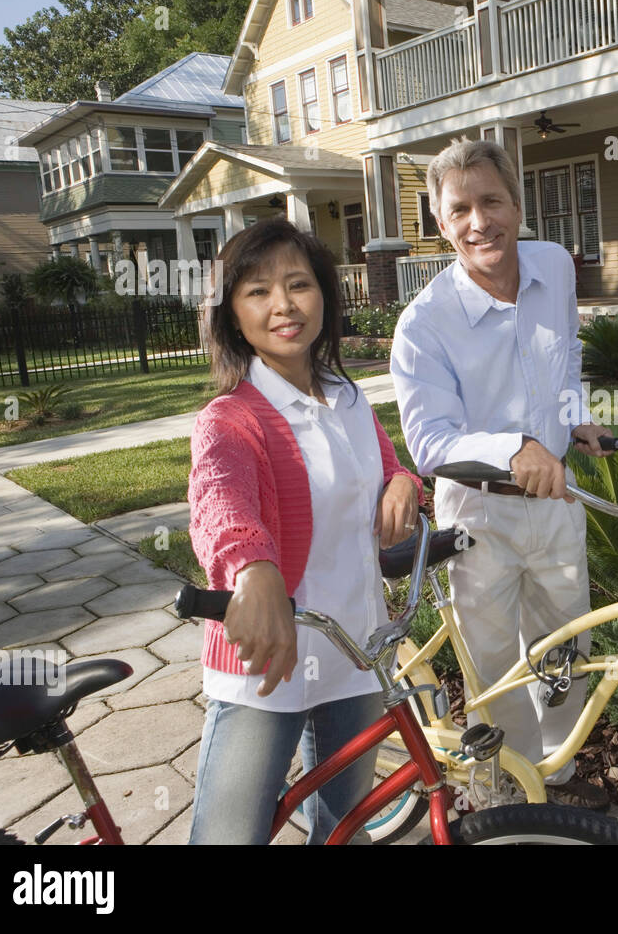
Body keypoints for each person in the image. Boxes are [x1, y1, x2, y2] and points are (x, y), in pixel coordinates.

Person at [389, 138, 612, 810]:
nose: (478, 221)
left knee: (567, 645)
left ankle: (559, 773)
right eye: (460, 209)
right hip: (477, 511)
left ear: (517, 205)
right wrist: (514, 449)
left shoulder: (553, 267)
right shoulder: (423, 323)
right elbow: (428, 440)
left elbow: (563, 360)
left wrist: (574, 419)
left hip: (557, 498)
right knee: (493, 662)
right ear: (439, 221)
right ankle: (508, 795)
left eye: (491, 201)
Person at [187, 217, 424, 844]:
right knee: (228, 839)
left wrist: (403, 484)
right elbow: (220, 500)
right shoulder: (231, 420)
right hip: (268, 659)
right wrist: (253, 570)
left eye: (299, 284)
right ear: (233, 315)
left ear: (325, 295)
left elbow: (391, 466)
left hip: (356, 652)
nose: (283, 305)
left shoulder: (346, 397)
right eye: (258, 291)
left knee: (343, 828)